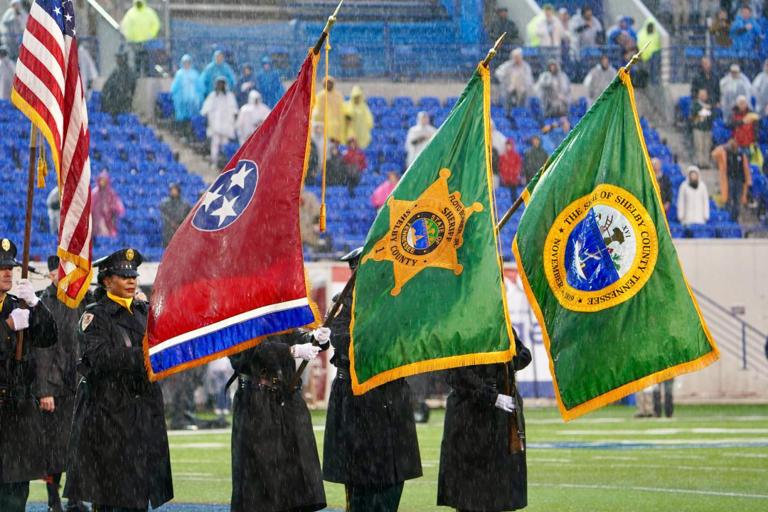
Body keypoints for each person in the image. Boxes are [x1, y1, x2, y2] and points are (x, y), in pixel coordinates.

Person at [64, 249, 174, 511]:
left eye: (133, 275)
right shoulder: (95, 316)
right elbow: (100, 358)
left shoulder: (144, 312)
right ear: (106, 280)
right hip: (110, 418)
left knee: (137, 499)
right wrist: (145, 356)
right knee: (112, 498)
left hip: (142, 417)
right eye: (123, 276)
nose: (131, 280)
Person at [323, 248, 422, 512]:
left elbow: (410, 341)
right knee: (362, 483)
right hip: (357, 399)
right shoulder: (342, 304)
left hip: (392, 395)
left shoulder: (395, 301)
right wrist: (381, 339)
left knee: (393, 476)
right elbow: (345, 343)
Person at [228, 327, 331, 512]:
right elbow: (253, 350)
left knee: (295, 478)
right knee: (262, 482)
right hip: (256, 402)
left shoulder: (272, 308)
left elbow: (288, 329)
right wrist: (292, 350)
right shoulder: (240, 315)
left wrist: (313, 337)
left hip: (287, 399)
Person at [437, 331, 531, 512]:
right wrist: (489, 394)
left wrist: (503, 361)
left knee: (498, 494)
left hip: (500, 418)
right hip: (470, 417)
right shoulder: (460, 328)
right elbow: (454, 372)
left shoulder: (502, 325)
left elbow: (524, 355)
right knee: (471, 496)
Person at [0, 238, 57, 512]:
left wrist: (36, 305)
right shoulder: (11, 315)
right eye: (1, 268)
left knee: (14, 493)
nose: (7, 272)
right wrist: (8, 328)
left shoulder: (17, 305)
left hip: (16, 414)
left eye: (10, 267)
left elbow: (48, 336)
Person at [35, 255, 92, 512]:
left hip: (76, 382)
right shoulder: (43, 302)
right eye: (59, 272)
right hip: (55, 386)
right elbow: (41, 351)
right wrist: (44, 390)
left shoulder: (80, 299)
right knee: (54, 448)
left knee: (77, 444)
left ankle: (75, 497)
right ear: (50, 275)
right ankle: (52, 498)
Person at [200, 76, 238, 166]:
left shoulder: (230, 96)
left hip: (226, 124)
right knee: (215, 144)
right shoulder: (213, 96)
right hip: (215, 124)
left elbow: (234, 109)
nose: (220, 86)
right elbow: (205, 109)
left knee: (225, 144)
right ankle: (215, 162)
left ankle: (226, 163)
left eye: (222, 84)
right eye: (219, 84)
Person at [712, 139, 752, 222]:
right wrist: (723, 146)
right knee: (728, 200)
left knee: (737, 201)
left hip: (739, 181)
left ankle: (735, 219)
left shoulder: (741, 155)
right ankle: (728, 218)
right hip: (729, 179)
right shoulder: (724, 153)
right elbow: (714, 154)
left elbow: (745, 169)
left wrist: (748, 181)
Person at [120, 0, 160, 76]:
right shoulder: (131, 13)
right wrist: (130, 37)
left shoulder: (149, 13)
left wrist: (151, 35)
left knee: (146, 61)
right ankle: (137, 75)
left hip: (147, 42)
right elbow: (125, 27)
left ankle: (146, 74)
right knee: (137, 61)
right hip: (135, 43)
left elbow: (156, 24)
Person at [495, 48, 535, 115]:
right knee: (507, 97)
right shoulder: (508, 65)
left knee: (524, 98)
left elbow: (529, 80)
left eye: (519, 57)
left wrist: (524, 87)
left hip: (522, 91)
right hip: (509, 89)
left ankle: (521, 114)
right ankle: (508, 114)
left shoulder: (525, 67)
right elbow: (498, 73)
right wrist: (506, 83)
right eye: (515, 57)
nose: (517, 59)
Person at [170, 55, 203, 126]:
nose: (187, 64)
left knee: (193, 118)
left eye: (188, 63)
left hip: (193, 101)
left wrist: (198, 98)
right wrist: (177, 97)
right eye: (185, 63)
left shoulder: (194, 73)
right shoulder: (179, 74)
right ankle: (183, 132)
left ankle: (190, 132)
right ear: (182, 63)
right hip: (182, 101)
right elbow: (174, 87)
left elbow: (200, 87)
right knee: (183, 118)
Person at [100, 53, 137, 117]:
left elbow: (130, 89)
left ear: (124, 59)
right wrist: (105, 94)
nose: (117, 60)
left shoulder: (129, 73)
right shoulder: (116, 72)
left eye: (119, 58)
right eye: (117, 58)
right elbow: (107, 85)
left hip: (123, 101)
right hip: (114, 99)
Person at [91, 171, 125, 238]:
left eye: (104, 180)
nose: (102, 182)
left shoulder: (111, 193)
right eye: (101, 180)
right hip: (97, 216)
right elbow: (90, 204)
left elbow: (117, 204)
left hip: (108, 217)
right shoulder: (94, 192)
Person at [313, 76, 345, 144]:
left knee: (335, 150)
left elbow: (342, 111)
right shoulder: (320, 96)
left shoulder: (338, 96)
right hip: (324, 128)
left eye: (330, 83)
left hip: (336, 128)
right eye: (327, 83)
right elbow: (317, 112)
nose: (328, 85)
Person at [159, 183, 191, 247]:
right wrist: (171, 223)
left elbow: (188, 216)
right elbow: (163, 215)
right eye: (172, 190)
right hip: (169, 232)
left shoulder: (185, 204)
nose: (174, 192)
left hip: (181, 230)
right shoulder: (165, 203)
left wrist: (180, 224)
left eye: (175, 190)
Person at [343, 85, 374, 149]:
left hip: (362, 132)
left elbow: (369, 119)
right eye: (355, 97)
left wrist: (368, 125)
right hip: (351, 133)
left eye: (358, 97)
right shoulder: (348, 105)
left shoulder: (364, 107)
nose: (356, 99)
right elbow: (346, 117)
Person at [690, 88, 714, 169]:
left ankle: (706, 162)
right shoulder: (695, 104)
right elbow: (692, 116)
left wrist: (708, 112)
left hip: (707, 129)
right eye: (701, 95)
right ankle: (699, 162)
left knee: (707, 146)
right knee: (699, 146)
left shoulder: (709, 104)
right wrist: (702, 111)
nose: (703, 96)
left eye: (704, 95)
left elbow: (713, 114)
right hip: (698, 128)